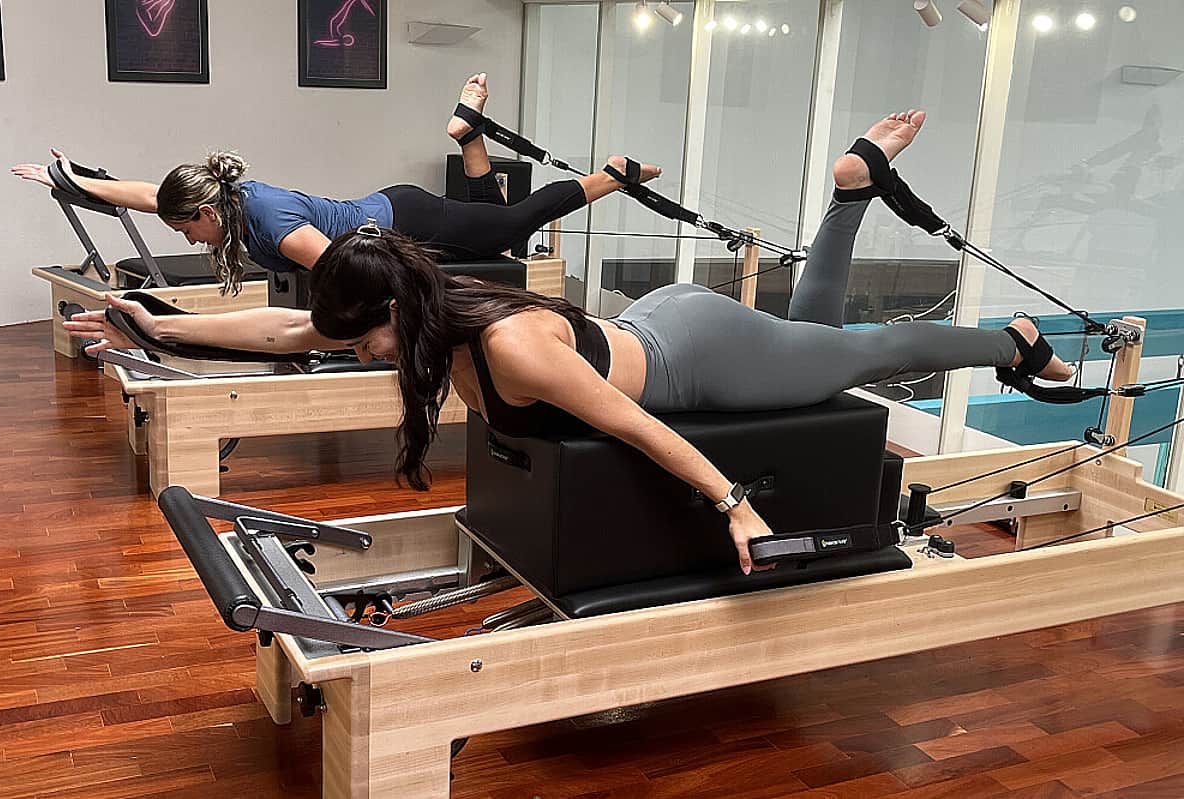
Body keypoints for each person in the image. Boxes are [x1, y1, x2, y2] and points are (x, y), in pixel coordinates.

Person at [291, 110, 1075, 575]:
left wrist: (736, 505)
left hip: (703, 358)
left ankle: (1014, 342)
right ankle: (852, 191)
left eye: (363, 341)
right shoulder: (446, 309)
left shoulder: (508, 348)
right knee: (819, 342)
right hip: (666, 324)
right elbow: (282, 329)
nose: (363, 356)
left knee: (868, 356)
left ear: (394, 306)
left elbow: (637, 426)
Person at [12, 73, 660, 295]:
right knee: (495, 235)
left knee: (514, 224)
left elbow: (351, 275)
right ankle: (468, 134)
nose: (185, 236)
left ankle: (612, 174)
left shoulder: (273, 224)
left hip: (407, 221)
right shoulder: (217, 197)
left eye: (185, 229)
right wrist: (69, 178)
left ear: (207, 212)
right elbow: (145, 193)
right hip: (395, 209)